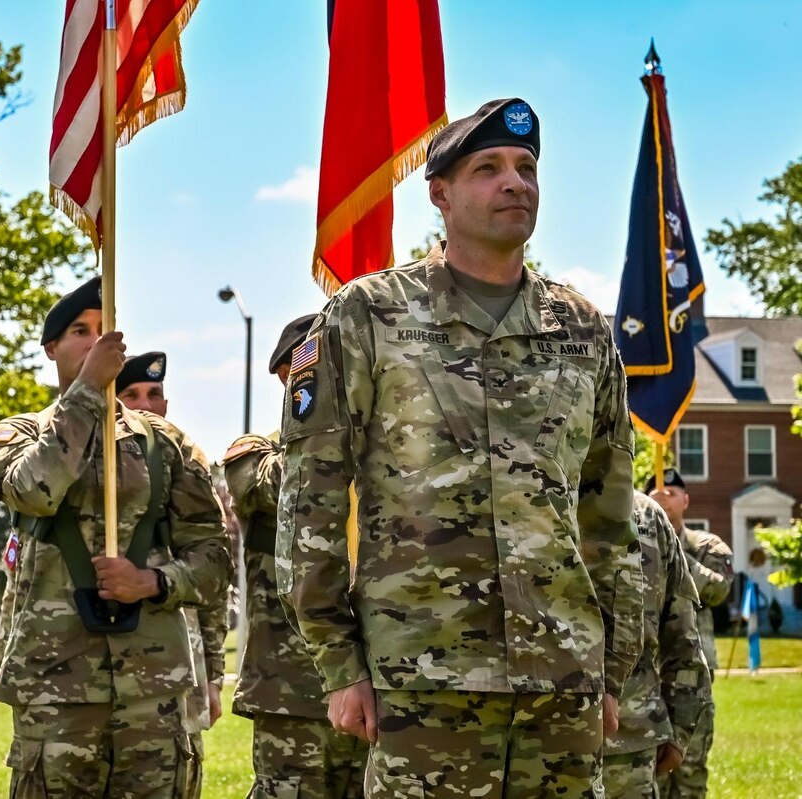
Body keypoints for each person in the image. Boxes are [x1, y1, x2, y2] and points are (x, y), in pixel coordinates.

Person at [277, 97, 644, 798]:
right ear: (440, 193)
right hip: (422, 680)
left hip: (561, 680)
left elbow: (610, 516)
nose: (515, 182)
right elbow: (310, 503)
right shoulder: (369, 315)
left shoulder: (583, 329)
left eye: (526, 167)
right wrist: (340, 666)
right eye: (489, 168)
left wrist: (610, 667)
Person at [0, 276, 233, 798]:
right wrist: (87, 394)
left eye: (102, 330)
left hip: (155, 689)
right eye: (79, 331)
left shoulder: (164, 443)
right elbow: (34, 490)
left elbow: (213, 557)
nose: (95, 342)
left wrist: (155, 582)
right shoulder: (16, 434)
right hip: (55, 685)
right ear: (51, 348)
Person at [224, 315, 367, 799]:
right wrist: (330, 426)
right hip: (290, 689)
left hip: (379, 678)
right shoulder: (253, 453)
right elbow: (281, 482)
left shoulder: (384, 455)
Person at [115, 350, 230, 799]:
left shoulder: (186, 468)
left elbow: (214, 587)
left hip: (177, 667)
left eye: (154, 394)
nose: (145, 404)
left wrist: (215, 676)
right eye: (131, 394)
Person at [604, 492, 712, 798]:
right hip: (523, 748)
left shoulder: (648, 516)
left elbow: (683, 640)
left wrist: (679, 730)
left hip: (629, 749)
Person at [648, 468, 734, 798]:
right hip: (645, 674)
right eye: (657, 492)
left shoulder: (708, 545)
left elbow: (716, 591)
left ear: (686, 499)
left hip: (691, 676)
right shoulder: (631, 543)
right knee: (647, 773)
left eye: (671, 491)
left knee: (690, 769)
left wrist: (666, 548)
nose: (664, 497)